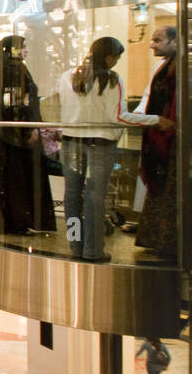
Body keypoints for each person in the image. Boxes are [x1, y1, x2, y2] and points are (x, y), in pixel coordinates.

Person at [55, 36, 165, 262]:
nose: (116, 62)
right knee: (95, 197)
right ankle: (93, 250)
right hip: (100, 142)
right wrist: (156, 120)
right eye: (116, 57)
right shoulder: (111, 80)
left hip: (70, 140)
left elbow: (53, 101)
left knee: (72, 196)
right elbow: (118, 117)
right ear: (108, 57)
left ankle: (75, 245)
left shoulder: (68, 76)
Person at [0, 35, 55, 235]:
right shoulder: (13, 71)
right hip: (16, 139)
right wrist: (29, 128)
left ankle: (16, 223)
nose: (25, 51)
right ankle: (20, 224)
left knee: (11, 183)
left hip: (5, 138)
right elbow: (18, 103)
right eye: (22, 48)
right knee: (18, 182)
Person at [131, 27, 178, 260]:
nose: (152, 45)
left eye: (158, 40)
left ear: (175, 41)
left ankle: (166, 242)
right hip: (158, 132)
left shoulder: (177, 67)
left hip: (168, 136)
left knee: (167, 189)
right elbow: (149, 98)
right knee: (159, 187)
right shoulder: (164, 65)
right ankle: (155, 238)